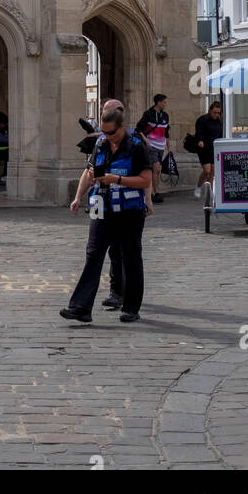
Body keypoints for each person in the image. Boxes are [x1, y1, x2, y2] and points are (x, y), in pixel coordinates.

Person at [61, 105, 151, 324]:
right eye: (103, 131)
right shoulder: (100, 144)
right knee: (93, 254)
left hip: (129, 211)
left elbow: (145, 180)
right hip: (103, 207)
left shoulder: (136, 147)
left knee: (130, 256)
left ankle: (131, 307)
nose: (107, 136)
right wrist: (78, 197)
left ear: (122, 127)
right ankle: (81, 308)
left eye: (111, 132)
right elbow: (88, 172)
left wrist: (116, 179)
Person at [135, 93, 170, 203]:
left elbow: (166, 130)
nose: (165, 104)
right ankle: (155, 192)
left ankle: (153, 192)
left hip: (161, 146)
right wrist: (146, 141)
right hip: (151, 146)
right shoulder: (148, 114)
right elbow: (138, 128)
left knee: (157, 170)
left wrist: (167, 143)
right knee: (156, 168)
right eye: (164, 102)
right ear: (159, 102)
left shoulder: (165, 116)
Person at [194, 100, 223, 197]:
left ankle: (209, 192)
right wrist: (200, 140)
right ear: (210, 110)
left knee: (213, 172)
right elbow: (198, 132)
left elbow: (220, 134)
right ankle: (198, 187)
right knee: (207, 171)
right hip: (204, 148)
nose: (216, 114)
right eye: (214, 112)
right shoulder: (202, 119)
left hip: (214, 148)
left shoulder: (219, 121)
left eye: (218, 113)